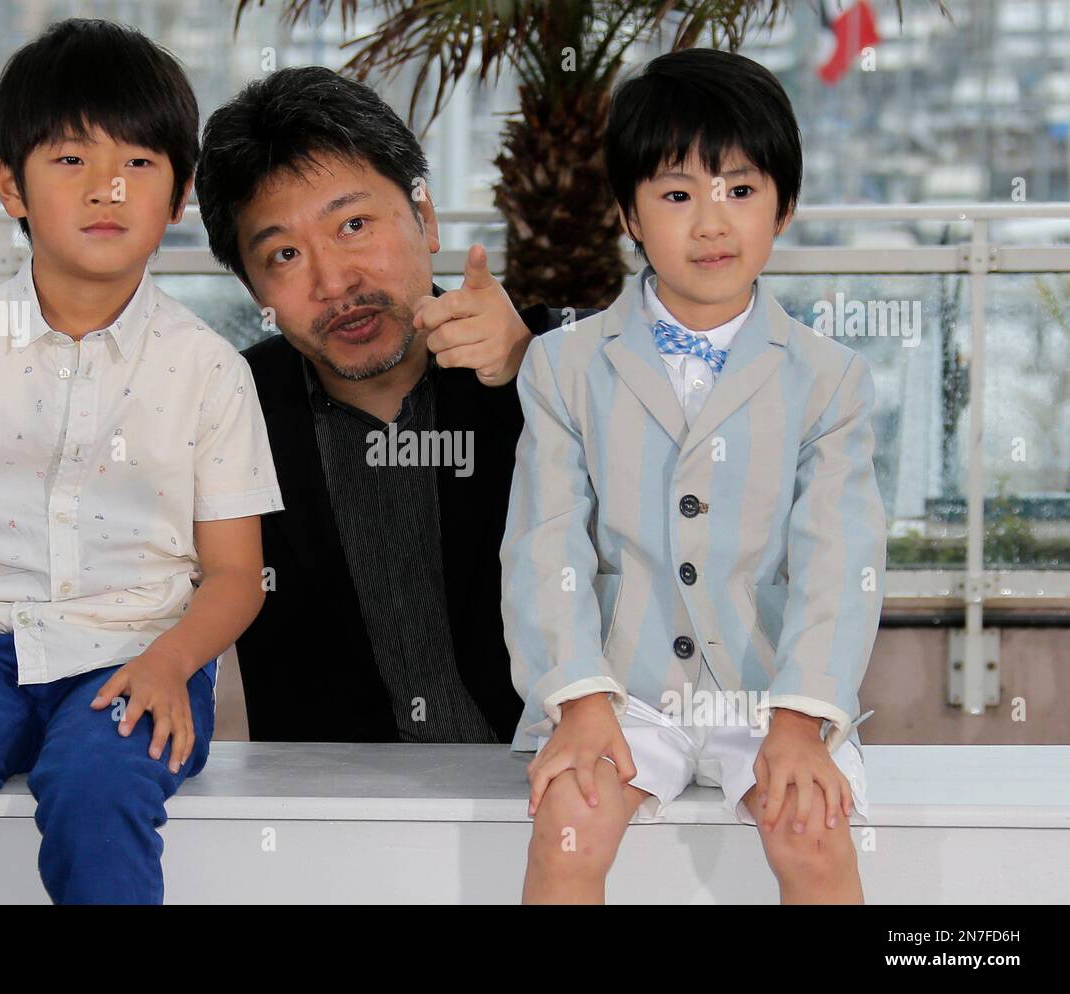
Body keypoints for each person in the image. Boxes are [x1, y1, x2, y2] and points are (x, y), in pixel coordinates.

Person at [0, 18, 282, 904]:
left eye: (140, 164)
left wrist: (168, 664)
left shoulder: (210, 370)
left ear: (180, 195)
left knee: (97, 788)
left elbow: (236, 574)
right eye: (72, 160)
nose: (108, 187)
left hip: (141, 649)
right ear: (11, 186)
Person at [503, 48, 886, 904]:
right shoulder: (563, 366)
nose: (712, 223)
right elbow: (544, 545)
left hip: (769, 696)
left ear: (784, 206)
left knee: (814, 837)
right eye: (677, 194)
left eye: (741, 191)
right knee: (567, 828)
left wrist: (798, 719)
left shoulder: (830, 379)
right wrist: (580, 698)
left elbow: (839, 564)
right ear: (629, 216)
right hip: (622, 694)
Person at [194, 67, 592, 744]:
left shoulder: (557, 361)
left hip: (549, 793)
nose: (333, 281)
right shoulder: (225, 410)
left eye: (353, 224)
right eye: (284, 254)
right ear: (249, 285)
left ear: (425, 217)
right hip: (340, 817)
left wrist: (535, 368)